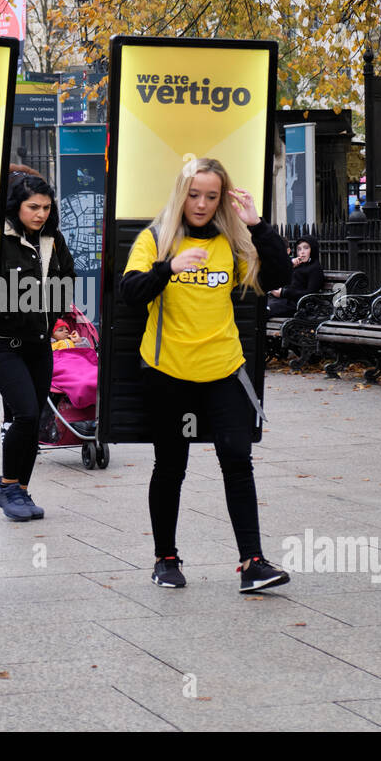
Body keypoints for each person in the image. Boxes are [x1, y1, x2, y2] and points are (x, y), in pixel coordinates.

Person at [119, 157, 293, 593]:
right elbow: (129, 293)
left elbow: (278, 277)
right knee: (171, 465)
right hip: (169, 371)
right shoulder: (156, 238)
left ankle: (252, 562)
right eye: (194, 195)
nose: (201, 204)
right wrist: (168, 268)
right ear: (181, 194)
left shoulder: (231, 239)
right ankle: (166, 558)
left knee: (237, 459)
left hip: (223, 369)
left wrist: (257, 226)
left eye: (211, 196)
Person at [0, 167, 75, 522]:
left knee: (35, 417)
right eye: (33, 207)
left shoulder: (52, 238)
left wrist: (51, 321)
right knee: (23, 412)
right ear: (17, 206)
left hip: (40, 344)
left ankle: (21, 489)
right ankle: (7, 486)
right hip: (4, 343)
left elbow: (67, 276)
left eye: (46, 208)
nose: (41, 214)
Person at [267, 235, 325, 317]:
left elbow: (310, 294)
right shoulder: (296, 264)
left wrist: (284, 293)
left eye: (306, 248)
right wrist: (289, 265)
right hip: (282, 300)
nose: (302, 252)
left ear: (313, 249)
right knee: (258, 306)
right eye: (299, 249)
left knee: (265, 310)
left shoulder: (315, 268)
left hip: (298, 305)